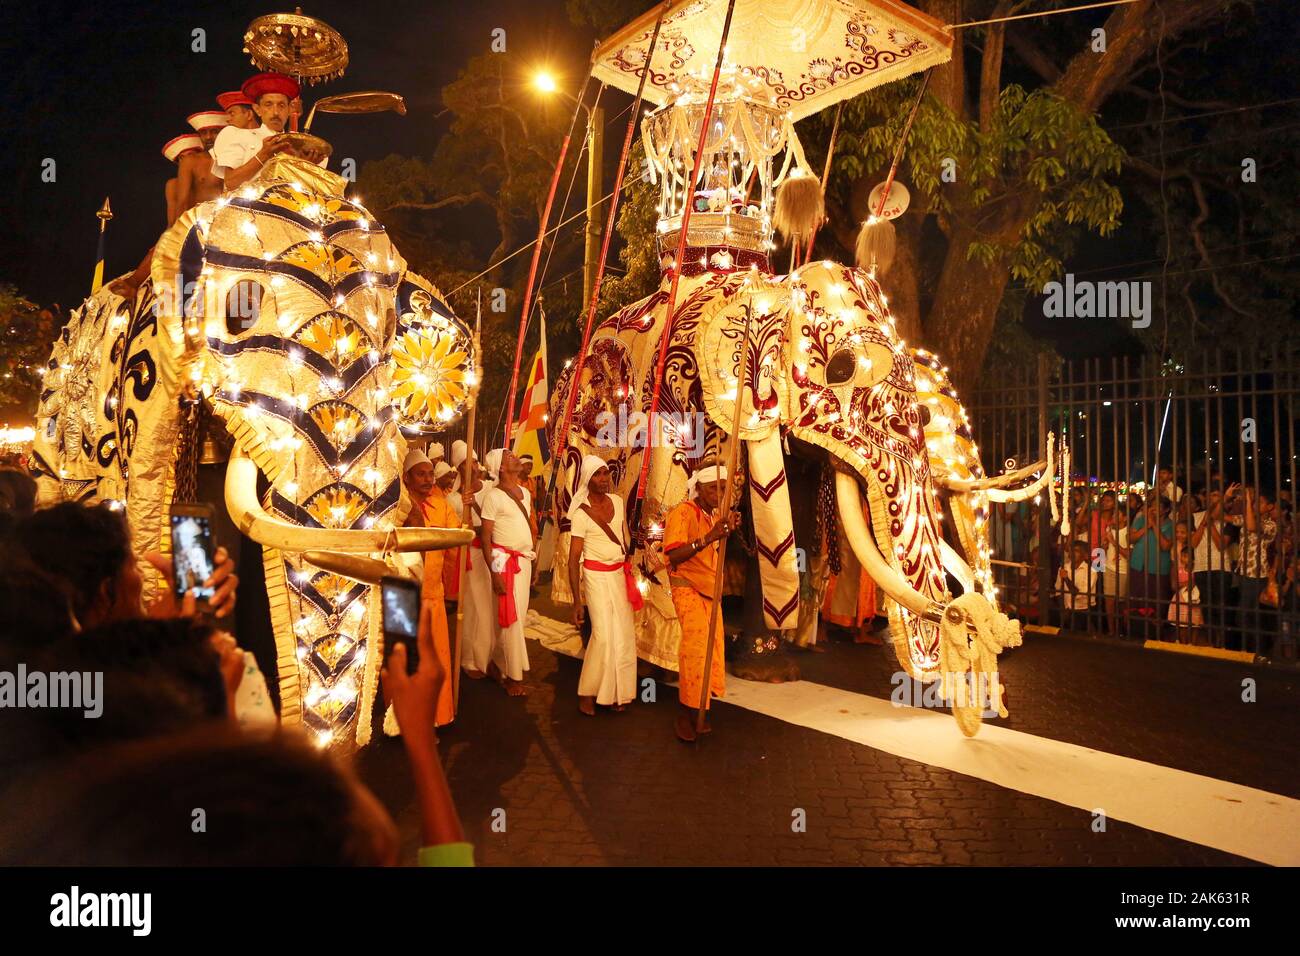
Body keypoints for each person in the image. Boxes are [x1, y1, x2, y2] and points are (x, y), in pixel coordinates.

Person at [663, 464, 740, 743]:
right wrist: (709, 537)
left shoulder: (714, 515)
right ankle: (685, 713)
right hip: (688, 589)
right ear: (699, 489)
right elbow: (674, 555)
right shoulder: (683, 512)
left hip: (711, 591)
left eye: (722, 488)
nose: (718, 494)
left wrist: (727, 530)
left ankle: (701, 709)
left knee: (712, 650)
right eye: (712, 488)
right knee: (695, 652)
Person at [567, 455, 640, 715]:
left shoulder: (618, 503)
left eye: (606, 473)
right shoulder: (580, 514)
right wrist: (577, 601)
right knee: (602, 635)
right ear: (588, 479)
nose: (604, 478)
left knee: (622, 635)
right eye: (598, 474)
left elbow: (623, 537)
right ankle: (587, 692)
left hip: (619, 575)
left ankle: (619, 692)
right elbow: (573, 559)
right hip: (595, 577)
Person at [405, 455, 458, 728]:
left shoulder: (442, 506)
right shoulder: (398, 507)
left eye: (430, 474)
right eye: (420, 474)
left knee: (436, 660)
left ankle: (435, 718)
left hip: (433, 594)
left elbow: (455, 543)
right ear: (407, 478)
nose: (428, 479)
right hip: (403, 595)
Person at [480, 449, 536, 696]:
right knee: (510, 619)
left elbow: (529, 527)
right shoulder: (493, 496)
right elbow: (485, 539)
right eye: (509, 456)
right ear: (501, 468)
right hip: (502, 560)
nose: (515, 457)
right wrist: (495, 574)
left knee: (518, 618)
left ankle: (496, 661)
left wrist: (532, 561)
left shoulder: (525, 492)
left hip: (523, 560)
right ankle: (514, 677)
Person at [210, 72, 302, 189]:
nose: (275, 112)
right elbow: (231, 182)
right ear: (257, 109)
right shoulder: (239, 135)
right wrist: (263, 155)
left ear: (289, 110)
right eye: (268, 105)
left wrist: (306, 165)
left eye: (281, 105)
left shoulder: (297, 144)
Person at [459, 455, 494, 681]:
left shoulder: (490, 489)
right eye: (465, 462)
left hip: (491, 552)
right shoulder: (455, 496)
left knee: (491, 605)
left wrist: (476, 505)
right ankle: (469, 659)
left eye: (473, 461)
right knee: (472, 606)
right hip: (471, 553)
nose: (471, 465)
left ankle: (487, 657)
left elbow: (491, 521)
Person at [1237, 485, 1278, 657]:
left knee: (1253, 616)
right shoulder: (1247, 517)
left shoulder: (1270, 525)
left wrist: (1247, 501)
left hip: (1257, 575)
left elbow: (1253, 527)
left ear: (1270, 507)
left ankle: (1259, 652)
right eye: (1255, 502)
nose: (1255, 505)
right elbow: (1219, 516)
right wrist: (1227, 497)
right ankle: (1250, 651)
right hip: (1243, 572)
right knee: (1245, 616)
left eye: (1259, 502)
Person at [1190, 486, 1233, 646]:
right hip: (1201, 567)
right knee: (1207, 608)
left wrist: (1211, 525)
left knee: (1221, 607)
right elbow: (1193, 542)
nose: (1212, 498)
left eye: (1216, 495)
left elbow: (1221, 545)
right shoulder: (1195, 517)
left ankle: (1222, 642)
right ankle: (1211, 642)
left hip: (1221, 567)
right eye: (1210, 495)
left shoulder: (1229, 519)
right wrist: (1203, 524)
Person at [1128, 494, 1173, 637]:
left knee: (1156, 603)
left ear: (1166, 510)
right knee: (1137, 600)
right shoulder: (1141, 520)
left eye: (1158, 506)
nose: (1153, 509)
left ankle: (1156, 634)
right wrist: (1146, 525)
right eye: (1152, 506)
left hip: (1158, 568)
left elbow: (1165, 546)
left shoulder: (1170, 525)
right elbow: (1131, 538)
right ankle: (1136, 631)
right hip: (1138, 565)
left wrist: (1153, 525)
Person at [175, 110, 227, 216]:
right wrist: (179, 231)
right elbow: (183, 202)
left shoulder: (233, 157)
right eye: (203, 133)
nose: (208, 137)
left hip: (232, 219)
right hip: (201, 222)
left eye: (214, 131)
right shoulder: (190, 161)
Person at [159, 133, 204, 226]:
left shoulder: (212, 177)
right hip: (185, 230)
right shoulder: (173, 184)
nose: (186, 161)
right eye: (181, 158)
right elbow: (172, 221)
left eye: (190, 155)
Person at [1103, 504, 1131, 637]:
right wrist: (1105, 545)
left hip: (1123, 571)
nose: (1113, 516)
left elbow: (1128, 555)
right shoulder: (1109, 530)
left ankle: (1122, 631)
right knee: (1109, 601)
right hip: (1109, 568)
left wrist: (1113, 542)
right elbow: (1104, 549)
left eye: (1117, 514)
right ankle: (1111, 630)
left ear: (1125, 518)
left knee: (1121, 604)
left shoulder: (1129, 532)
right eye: (1113, 514)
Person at [1167, 545, 1203, 643]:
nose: (1183, 558)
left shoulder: (1196, 570)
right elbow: (1176, 584)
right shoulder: (1179, 570)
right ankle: (1183, 642)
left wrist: (1186, 584)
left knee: (1195, 623)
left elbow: (1194, 583)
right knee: (1182, 623)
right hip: (1181, 598)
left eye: (1186, 556)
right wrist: (1187, 583)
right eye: (1182, 556)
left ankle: (1193, 643)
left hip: (1193, 598)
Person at [1058, 540, 1094, 632]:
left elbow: (1079, 594)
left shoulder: (1091, 571)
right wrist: (1063, 609)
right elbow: (1058, 590)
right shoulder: (1064, 567)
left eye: (1077, 551)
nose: (1073, 553)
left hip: (1082, 609)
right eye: (1071, 550)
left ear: (1085, 555)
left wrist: (1066, 578)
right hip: (1066, 608)